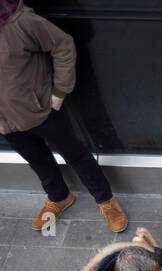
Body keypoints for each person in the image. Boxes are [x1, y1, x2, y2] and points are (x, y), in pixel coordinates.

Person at [0, 0, 127, 233]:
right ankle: (59, 197)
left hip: (42, 109)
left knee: (76, 155)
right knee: (37, 159)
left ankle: (106, 200)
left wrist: (60, 90)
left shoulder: (22, 21)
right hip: (5, 121)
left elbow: (63, 44)